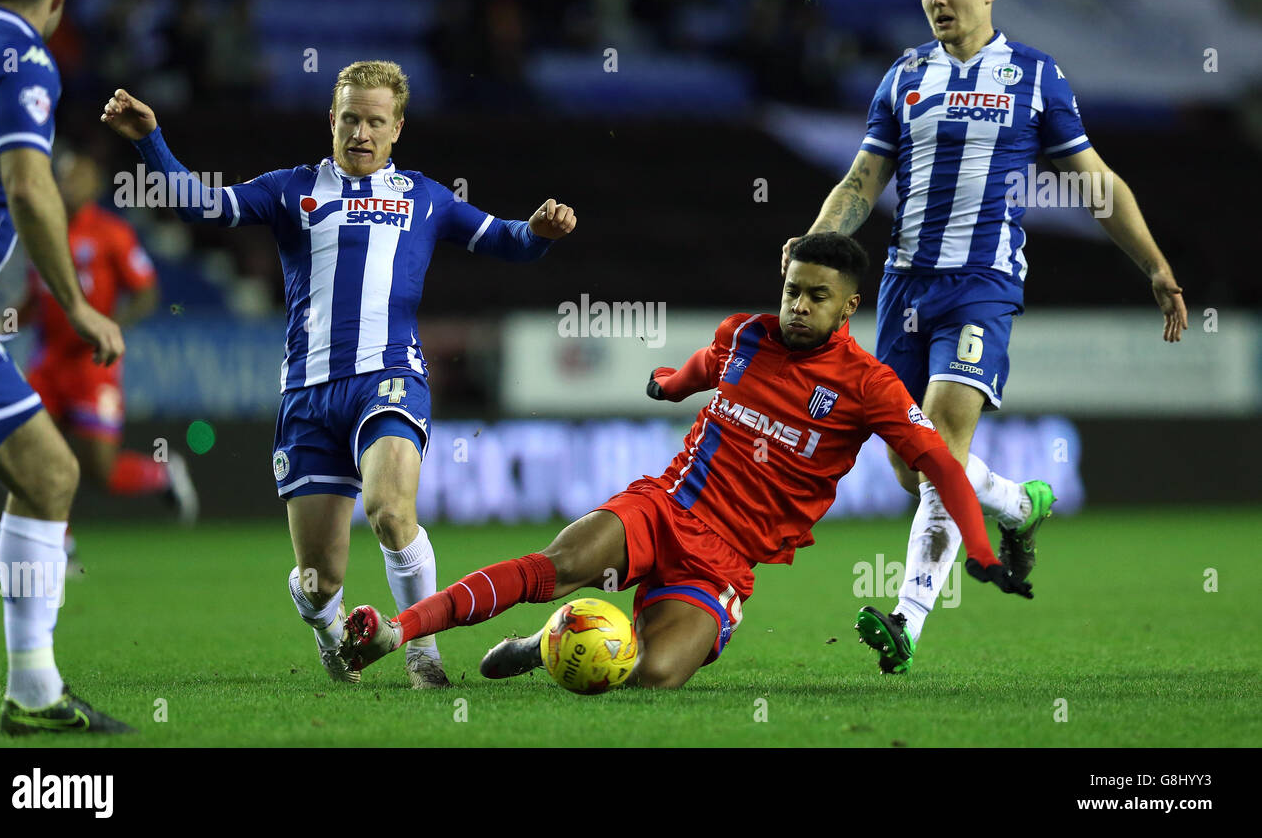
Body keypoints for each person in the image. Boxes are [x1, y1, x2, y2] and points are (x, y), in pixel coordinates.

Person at [341, 233, 1031, 689]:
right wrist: (672, 382)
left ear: (848, 307)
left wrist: (980, 546)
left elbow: (940, 466)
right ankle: (398, 631)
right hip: (667, 505)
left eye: (816, 296)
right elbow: (708, 363)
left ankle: (550, 642)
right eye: (792, 289)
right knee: (556, 567)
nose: (797, 305)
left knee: (652, 677)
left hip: (724, 559)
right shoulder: (749, 335)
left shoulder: (868, 386)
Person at [782, 0, 1188, 673]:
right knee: (911, 466)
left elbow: (1095, 183)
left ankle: (905, 622)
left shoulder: (1035, 77)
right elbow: (863, 182)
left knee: (937, 444)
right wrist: (813, 250)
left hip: (983, 285)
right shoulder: (904, 76)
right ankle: (1018, 504)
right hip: (907, 284)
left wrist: (1154, 265)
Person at [100, 62, 576, 688]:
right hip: (307, 394)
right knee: (318, 579)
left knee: (389, 512)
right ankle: (331, 631)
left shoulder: (425, 197)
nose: (360, 132)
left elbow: (504, 238)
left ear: (397, 127)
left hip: (389, 376)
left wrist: (539, 231)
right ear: (332, 118)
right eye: (350, 118)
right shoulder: (290, 189)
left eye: (375, 121)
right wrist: (149, 141)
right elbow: (204, 207)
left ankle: (422, 654)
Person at [0, 0, 132, 734]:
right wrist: (75, 303)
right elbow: (31, 187)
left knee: (51, 475)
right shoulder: (23, 56)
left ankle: (33, 692)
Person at [15, 150, 198, 567]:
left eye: (76, 178)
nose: (67, 186)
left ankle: (161, 473)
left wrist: (110, 326)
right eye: (62, 178)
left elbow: (147, 291)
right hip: (48, 362)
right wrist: (2, 322)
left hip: (93, 366)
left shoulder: (111, 233)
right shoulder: (42, 229)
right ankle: (60, 545)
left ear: (95, 185)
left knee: (101, 471)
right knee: (33, 452)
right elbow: (33, 299)